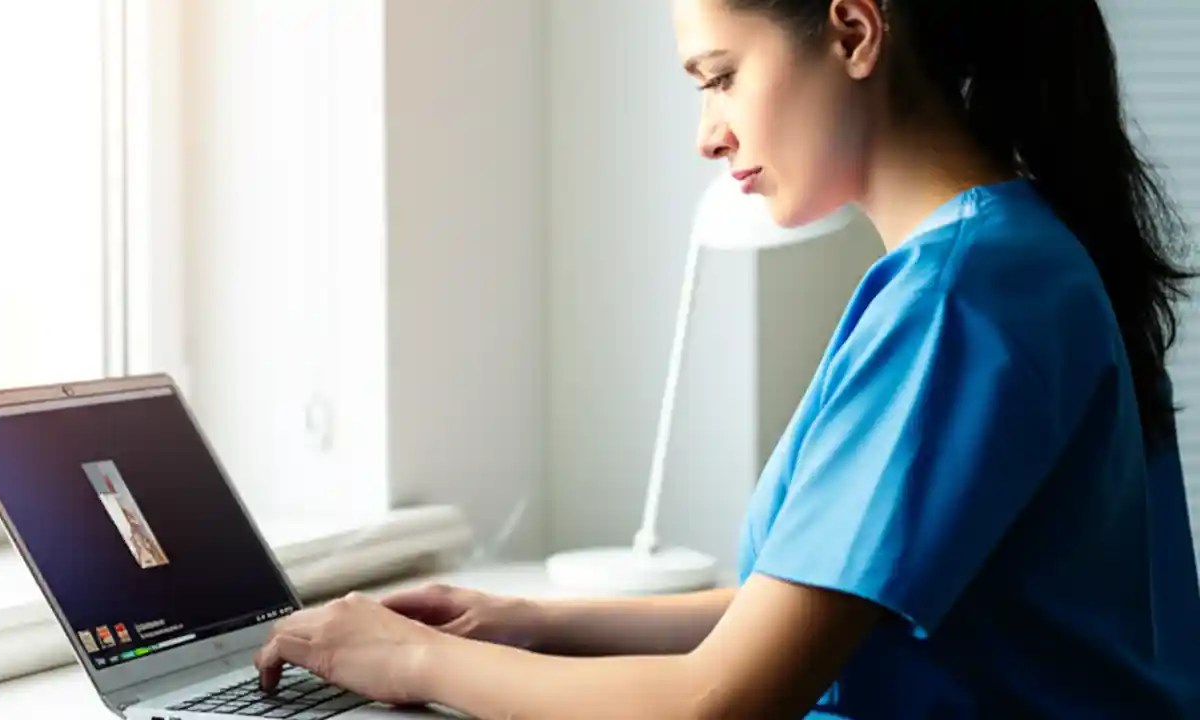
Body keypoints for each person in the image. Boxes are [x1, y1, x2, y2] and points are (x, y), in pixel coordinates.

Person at [255, 0, 1200, 716]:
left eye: (720, 76)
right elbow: (790, 610)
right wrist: (525, 619)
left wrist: (405, 660)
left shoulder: (962, 295)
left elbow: (724, 699)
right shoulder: (1012, 256)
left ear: (853, 32)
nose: (709, 133)